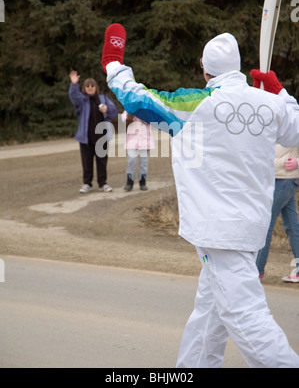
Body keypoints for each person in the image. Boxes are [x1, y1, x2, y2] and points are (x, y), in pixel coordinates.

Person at [101, 23, 299, 368]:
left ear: (205, 70)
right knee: (209, 316)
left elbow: (138, 98)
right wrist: (279, 91)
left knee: (247, 318)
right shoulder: (270, 104)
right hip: (249, 227)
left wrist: (113, 64)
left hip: (217, 231)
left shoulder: (194, 105)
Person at [68, 70, 118, 193]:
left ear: (96, 87)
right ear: (84, 88)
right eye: (87, 86)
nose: (90, 88)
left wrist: (106, 110)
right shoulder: (81, 99)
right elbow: (73, 96)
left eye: (92, 86)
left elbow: (113, 112)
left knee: (102, 161)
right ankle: (86, 184)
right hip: (86, 137)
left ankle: (103, 183)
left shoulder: (103, 98)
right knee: (87, 161)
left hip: (102, 136)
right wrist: (74, 84)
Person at [257, 144, 299, 283]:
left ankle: (257, 270)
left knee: (266, 225)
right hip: (284, 178)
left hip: (284, 178)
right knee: (292, 227)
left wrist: (298, 163)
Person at [121, 111, 155, 191]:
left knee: (144, 163)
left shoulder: (146, 107)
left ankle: (142, 182)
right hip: (132, 139)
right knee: (131, 161)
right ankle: (129, 182)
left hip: (145, 139)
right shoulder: (130, 107)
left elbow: (153, 118)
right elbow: (123, 118)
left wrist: (145, 117)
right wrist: (129, 116)